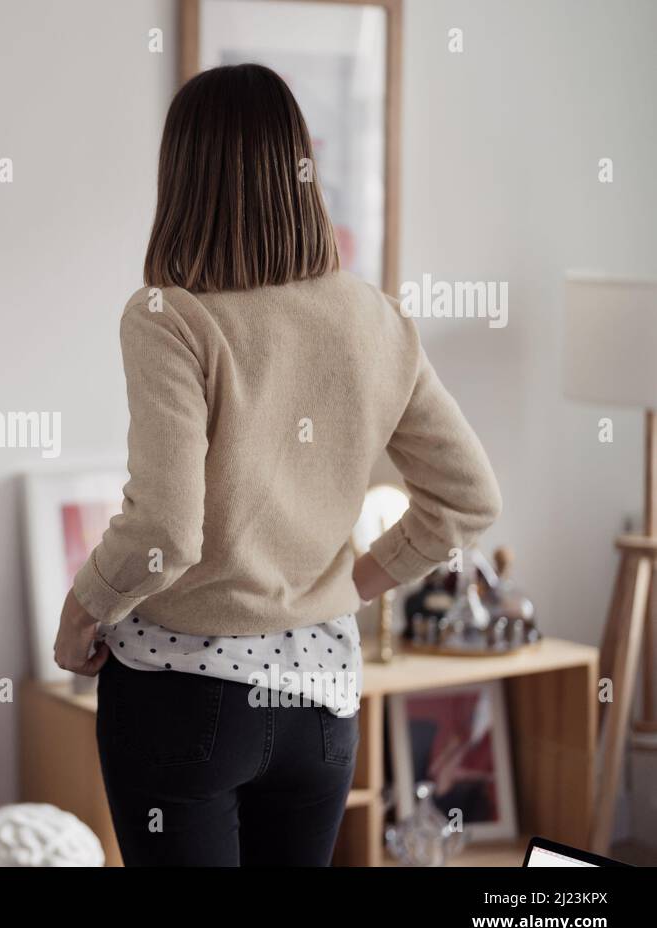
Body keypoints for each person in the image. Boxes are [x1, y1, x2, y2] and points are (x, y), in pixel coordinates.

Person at [52, 64, 502, 867]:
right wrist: (352, 586)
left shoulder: (169, 316)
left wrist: (82, 608)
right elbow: (468, 499)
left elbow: (164, 527)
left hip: (181, 697)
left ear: (182, 176)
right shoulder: (373, 316)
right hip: (320, 707)